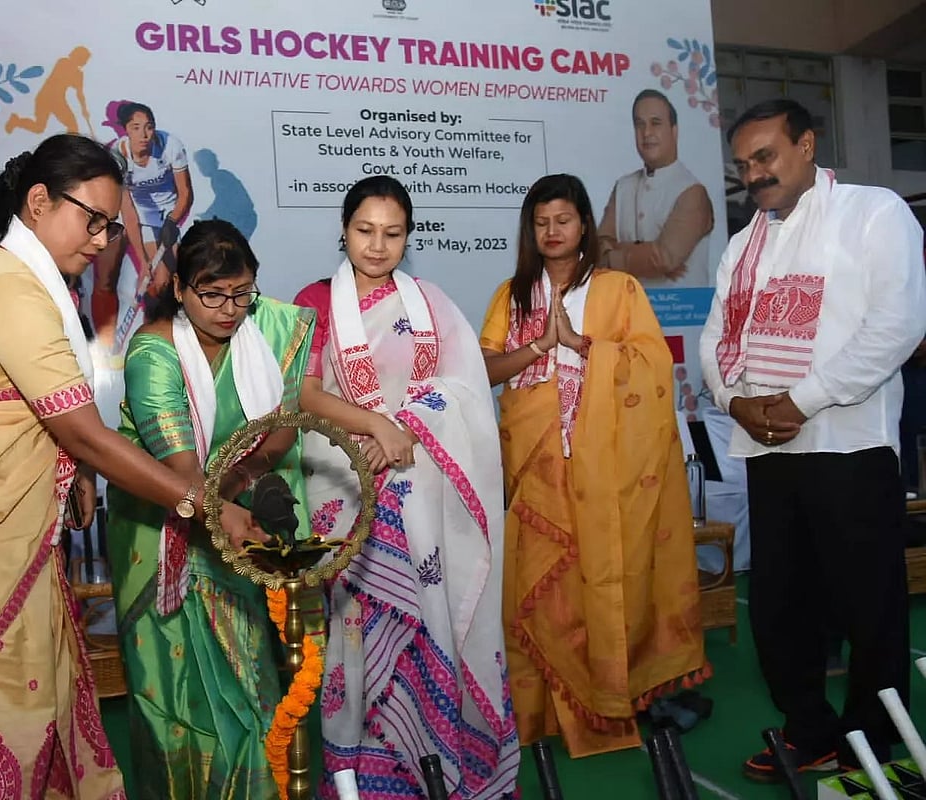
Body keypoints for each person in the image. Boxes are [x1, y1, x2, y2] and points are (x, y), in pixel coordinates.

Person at [0, 133, 264, 798]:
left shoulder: (30, 284)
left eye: (112, 225)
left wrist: (77, 472)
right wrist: (204, 504)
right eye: (93, 220)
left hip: (14, 545)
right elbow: (83, 432)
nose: (102, 240)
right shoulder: (8, 289)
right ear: (37, 201)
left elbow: (32, 411)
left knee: (37, 721)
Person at [698, 99, 926, 781]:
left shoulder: (874, 212)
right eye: (743, 166)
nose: (754, 175)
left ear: (806, 144)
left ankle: (875, 745)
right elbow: (713, 340)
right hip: (769, 452)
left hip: (848, 447)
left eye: (764, 156)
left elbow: (897, 326)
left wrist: (800, 401)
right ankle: (809, 731)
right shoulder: (744, 245)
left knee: (870, 609)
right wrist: (736, 402)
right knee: (779, 609)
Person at [294, 175, 520, 799]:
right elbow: (306, 394)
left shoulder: (430, 303)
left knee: (426, 625)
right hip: (342, 482)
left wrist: (407, 428)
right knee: (355, 629)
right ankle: (359, 777)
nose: (377, 244)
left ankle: (430, 769)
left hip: (421, 492)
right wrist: (372, 425)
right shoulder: (313, 301)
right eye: (365, 231)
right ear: (344, 231)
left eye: (393, 233)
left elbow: (466, 390)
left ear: (408, 238)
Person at [482, 173, 706, 758]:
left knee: (605, 583)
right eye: (541, 222)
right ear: (530, 230)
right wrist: (539, 346)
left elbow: (653, 368)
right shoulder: (511, 295)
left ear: (584, 225)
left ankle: (606, 699)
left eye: (564, 219)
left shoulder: (618, 289)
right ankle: (545, 710)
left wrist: (582, 345)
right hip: (534, 468)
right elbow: (485, 370)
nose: (553, 231)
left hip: (605, 469)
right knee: (544, 589)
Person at [107, 218, 314, 798]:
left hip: (235, 514)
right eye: (213, 294)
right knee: (173, 690)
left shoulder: (272, 331)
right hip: (159, 528)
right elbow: (178, 470)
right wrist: (220, 504)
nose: (229, 309)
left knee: (246, 678)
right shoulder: (155, 349)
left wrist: (239, 483)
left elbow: (280, 431)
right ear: (180, 290)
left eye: (242, 293)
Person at [91, 101, 193, 347]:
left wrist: (172, 221)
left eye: (149, 127)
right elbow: (129, 213)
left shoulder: (170, 145)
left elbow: (186, 193)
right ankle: (151, 342)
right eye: (136, 128)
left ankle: (183, 338)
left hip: (172, 207)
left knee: (176, 275)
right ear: (125, 130)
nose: (144, 134)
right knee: (157, 280)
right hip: (144, 211)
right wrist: (143, 262)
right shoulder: (118, 156)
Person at [598, 89, 714, 288]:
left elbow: (663, 258)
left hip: (682, 312)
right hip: (629, 312)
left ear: (674, 130)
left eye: (656, 123)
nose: (647, 133)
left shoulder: (693, 192)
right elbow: (597, 248)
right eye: (639, 124)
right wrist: (647, 255)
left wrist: (612, 256)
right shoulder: (623, 187)